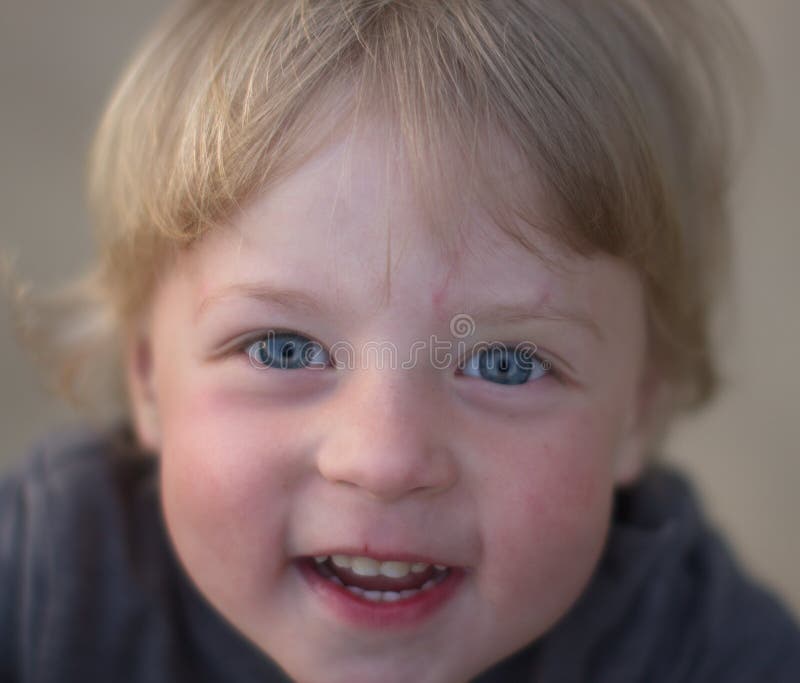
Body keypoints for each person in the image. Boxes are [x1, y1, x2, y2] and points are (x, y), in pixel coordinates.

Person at [2, 1, 799, 681]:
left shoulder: (693, 645)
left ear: (638, 408)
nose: (382, 460)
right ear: (146, 376)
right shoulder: (44, 584)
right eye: (283, 348)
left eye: (506, 363)